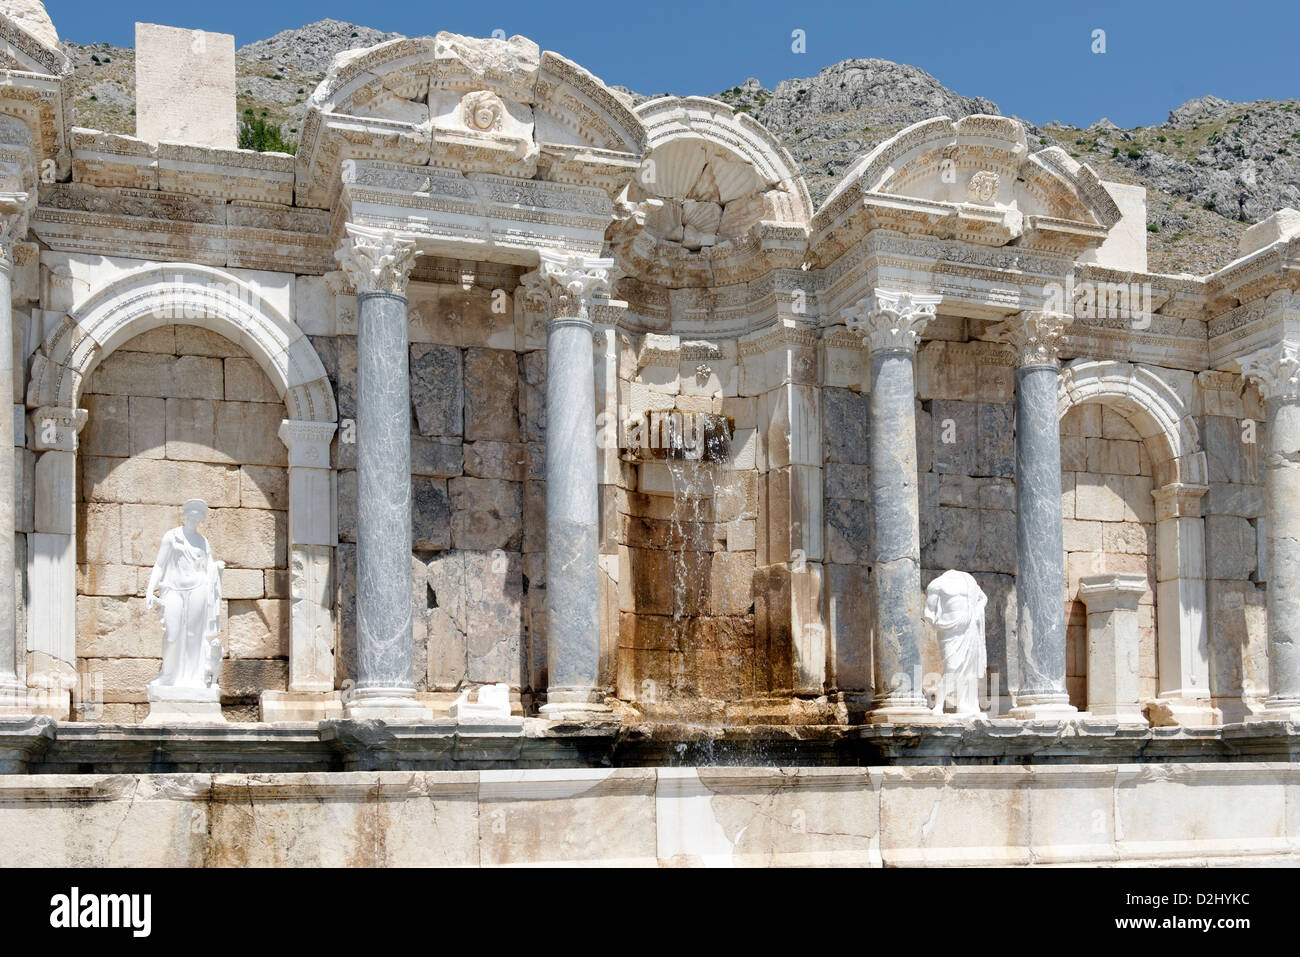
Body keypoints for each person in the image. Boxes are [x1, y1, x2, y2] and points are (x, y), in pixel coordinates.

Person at [145, 499, 225, 695]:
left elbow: (209, 567)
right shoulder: (171, 537)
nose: (195, 517)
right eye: (192, 513)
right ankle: (168, 675)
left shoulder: (202, 541)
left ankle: (193, 678)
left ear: (202, 518)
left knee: (192, 635)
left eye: (199, 514)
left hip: (198, 588)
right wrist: (149, 590)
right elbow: (160, 565)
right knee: (172, 634)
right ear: (186, 514)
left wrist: (216, 568)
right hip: (173, 589)